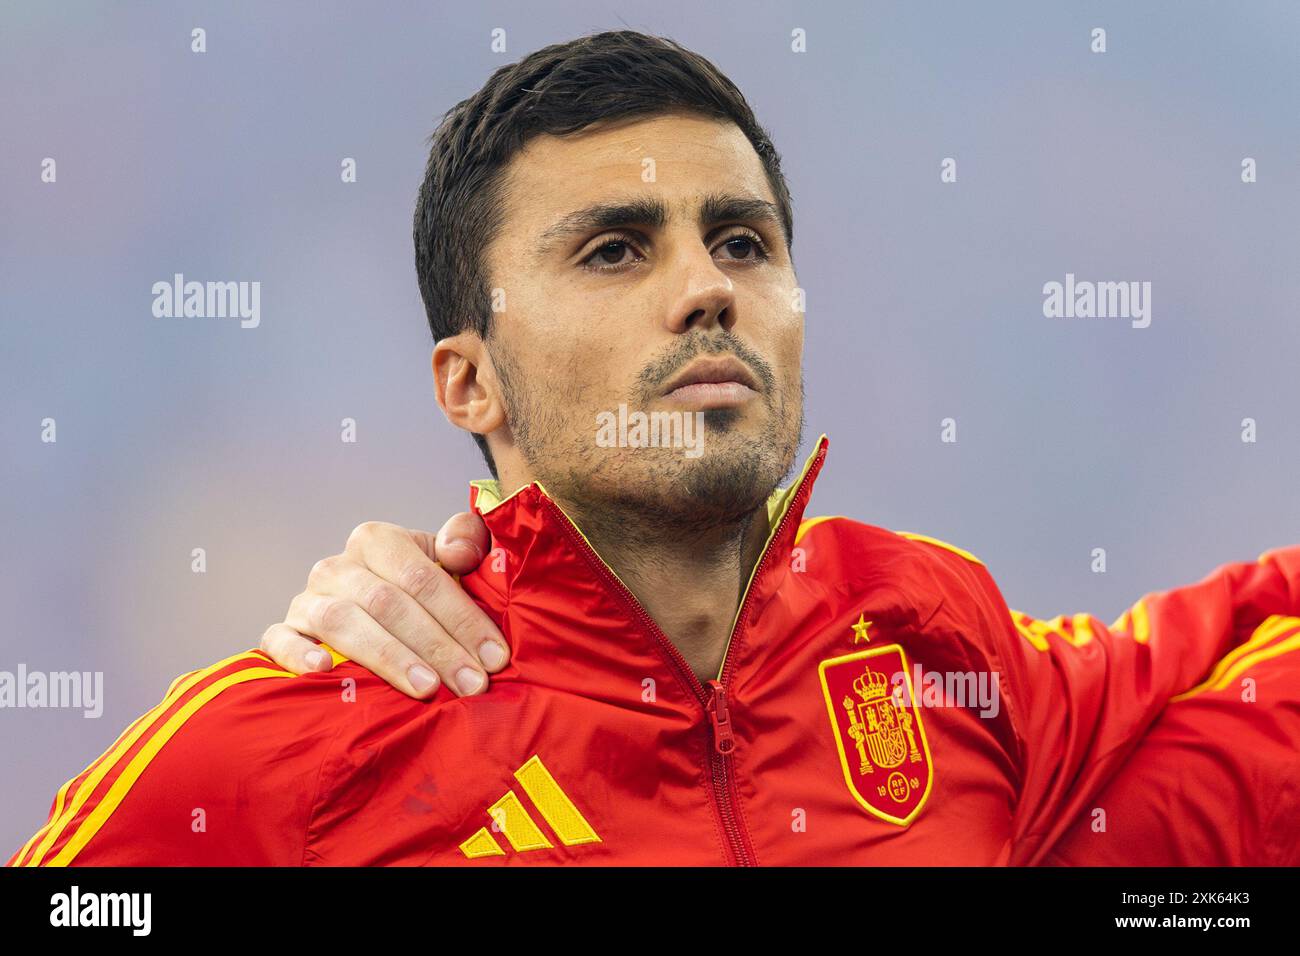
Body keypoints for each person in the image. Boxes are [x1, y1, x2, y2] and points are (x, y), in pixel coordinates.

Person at [11, 30, 1299, 867]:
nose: (707, 289)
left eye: (742, 242)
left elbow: (1240, 690)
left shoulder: (929, 639)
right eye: (615, 249)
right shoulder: (287, 751)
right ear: (470, 380)